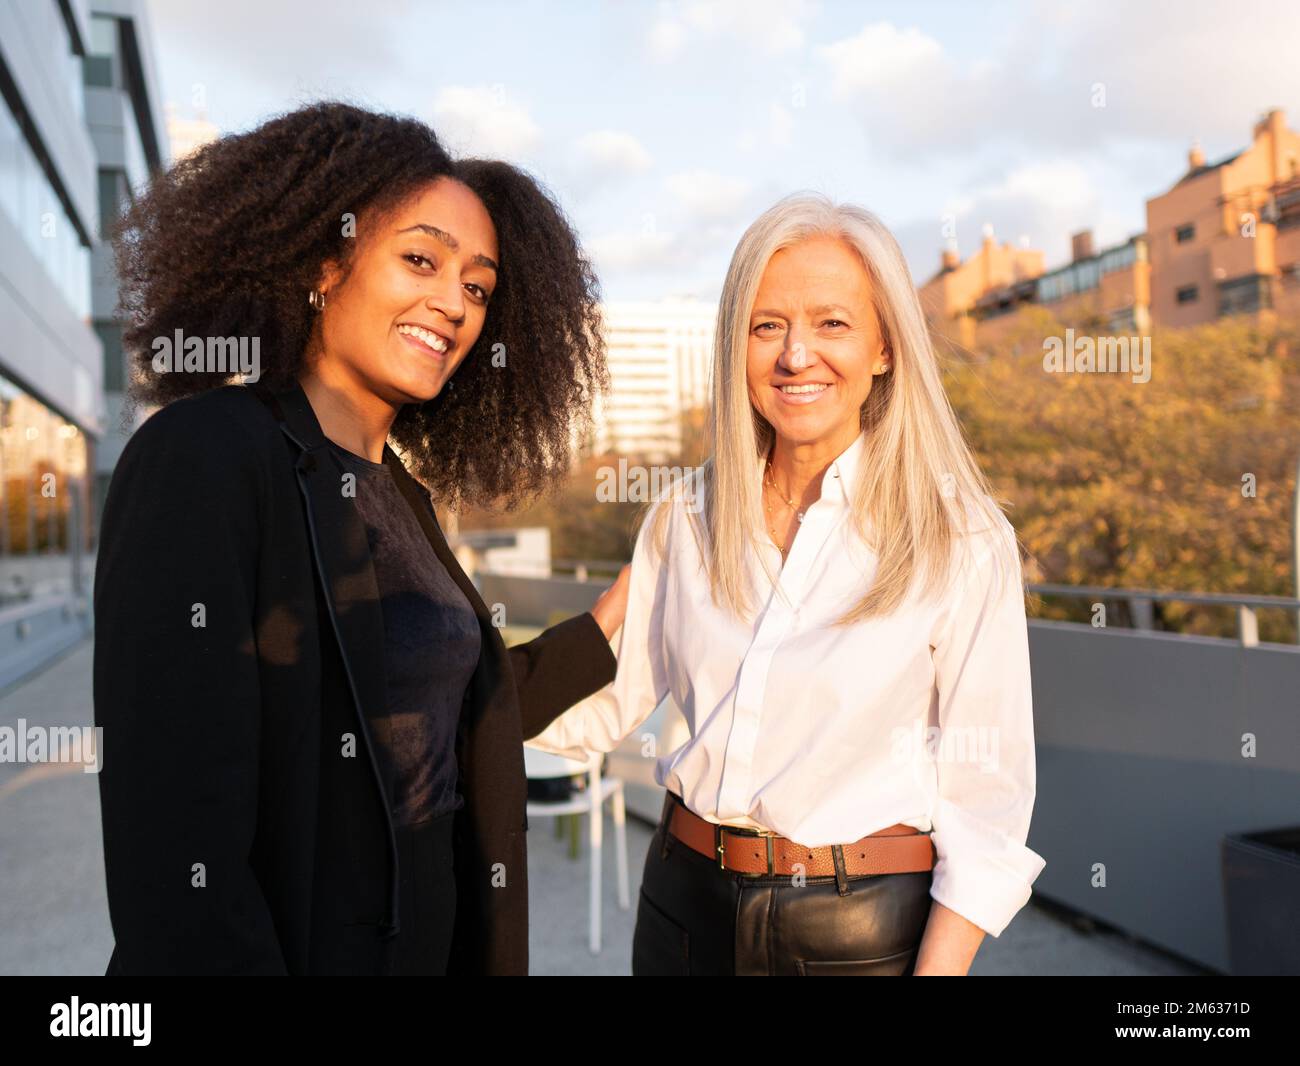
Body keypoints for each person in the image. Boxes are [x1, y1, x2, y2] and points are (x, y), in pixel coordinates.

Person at [94, 101, 631, 975]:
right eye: (421, 259)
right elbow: (175, 841)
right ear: (323, 263)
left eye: (478, 288)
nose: (452, 303)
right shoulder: (206, 457)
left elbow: (439, 708)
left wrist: (608, 625)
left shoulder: (402, 495)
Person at [525, 192, 1047, 976]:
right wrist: (443, 688)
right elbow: (599, 712)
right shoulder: (685, 516)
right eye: (766, 326)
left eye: (832, 323)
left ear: (884, 348)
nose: (796, 355)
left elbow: (989, 800)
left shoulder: (960, 537)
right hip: (681, 913)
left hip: (856, 936)